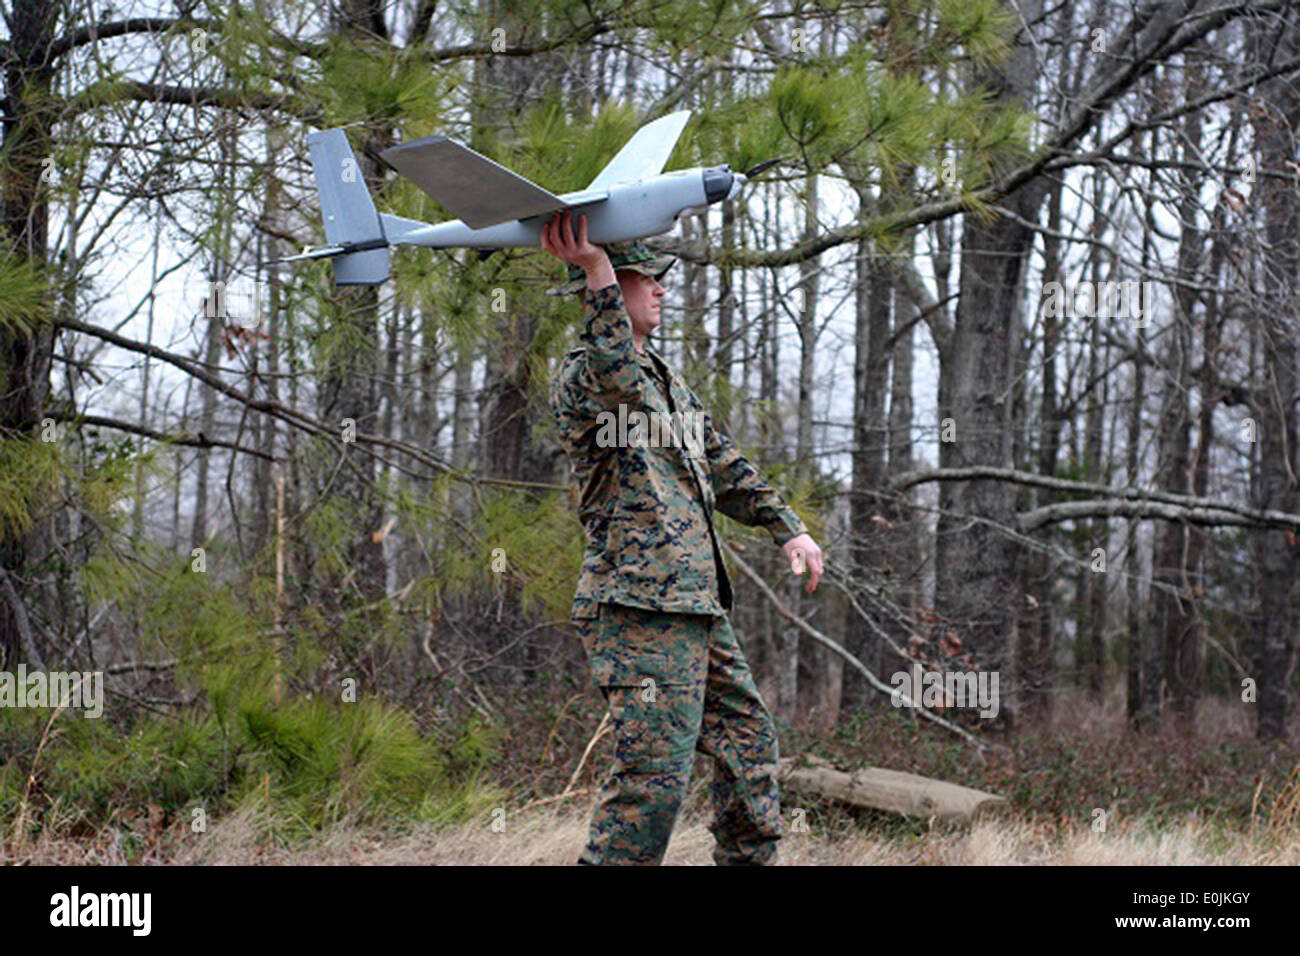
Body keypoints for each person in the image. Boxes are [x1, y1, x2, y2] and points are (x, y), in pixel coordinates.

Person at [543, 209, 824, 866]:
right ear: (607, 285)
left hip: (698, 608)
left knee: (748, 748)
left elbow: (725, 464)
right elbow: (620, 381)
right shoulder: (587, 374)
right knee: (652, 782)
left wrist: (790, 529)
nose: (662, 289)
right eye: (646, 278)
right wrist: (597, 268)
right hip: (639, 609)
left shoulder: (669, 384)